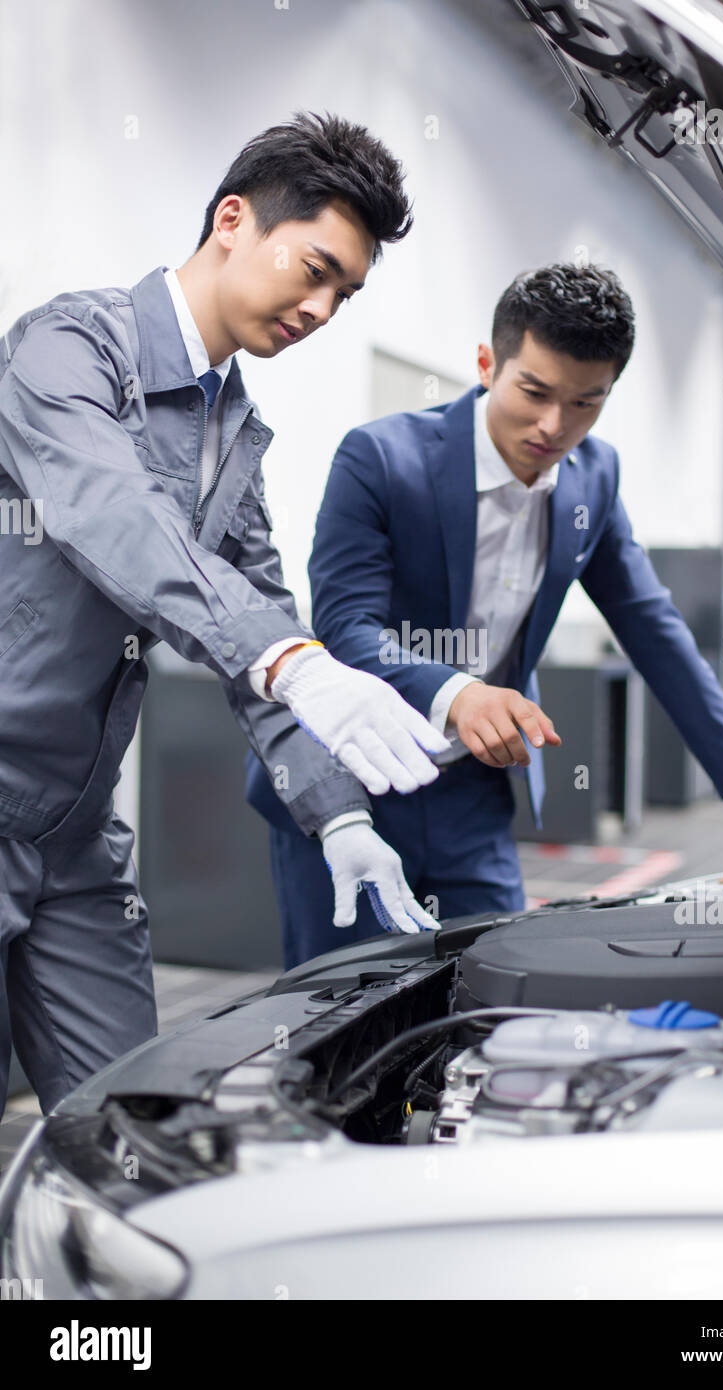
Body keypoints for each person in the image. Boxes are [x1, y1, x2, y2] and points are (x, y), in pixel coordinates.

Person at [0, 112, 453, 1118]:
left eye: (345, 292)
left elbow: (262, 620)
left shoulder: (232, 431)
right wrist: (287, 657)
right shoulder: (70, 347)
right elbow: (111, 516)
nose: (323, 307)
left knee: (132, 1123)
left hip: (75, 831)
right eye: (315, 268)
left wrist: (337, 811)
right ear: (233, 220)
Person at [248, 261, 723, 968]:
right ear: (485, 364)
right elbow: (349, 630)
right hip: (353, 783)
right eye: (533, 392)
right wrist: (458, 692)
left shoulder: (594, 476)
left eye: (585, 403)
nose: (553, 425)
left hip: (473, 796)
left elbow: (654, 633)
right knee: (343, 1017)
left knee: (491, 996)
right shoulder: (381, 458)